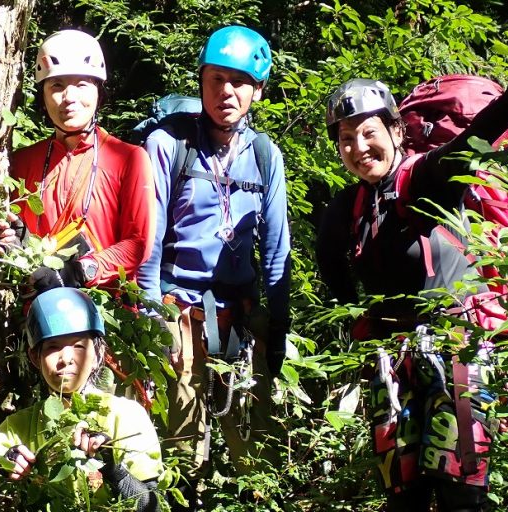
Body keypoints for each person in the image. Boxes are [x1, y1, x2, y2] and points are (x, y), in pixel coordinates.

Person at [316, 53, 508, 510]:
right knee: (402, 494)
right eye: (346, 139)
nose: (358, 147)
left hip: (459, 350)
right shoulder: (348, 206)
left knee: (462, 490)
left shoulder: (424, 178)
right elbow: (330, 263)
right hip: (394, 360)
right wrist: (358, 317)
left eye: (369, 133)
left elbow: (471, 141)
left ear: (397, 132)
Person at [139, 25, 291, 507]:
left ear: (257, 90)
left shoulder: (265, 155)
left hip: (239, 315)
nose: (226, 91)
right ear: (201, 80)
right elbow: (149, 237)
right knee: (181, 449)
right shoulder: (167, 144)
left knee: (258, 449)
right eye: (216, 78)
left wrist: (279, 320)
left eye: (239, 81)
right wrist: (150, 318)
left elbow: (275, 245)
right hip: (178, 310)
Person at [0, 287, 163, 511]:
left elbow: (152, 506)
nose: (66, 359)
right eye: (53, 348)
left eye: (78, 346)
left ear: (97, 355)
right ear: (35, 358)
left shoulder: (126, 415)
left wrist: (114, 470)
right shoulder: (21, 424)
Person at [0, 29, 156, 290]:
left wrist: (82, 270)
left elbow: (138, 243)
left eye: (81, 84)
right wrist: (17, 244)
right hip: (37, 311)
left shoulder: (129, 158)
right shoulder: (21, 162)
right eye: (56, 85)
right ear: (43, 96)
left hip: (106, 312)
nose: (69, 98)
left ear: (98, 92)